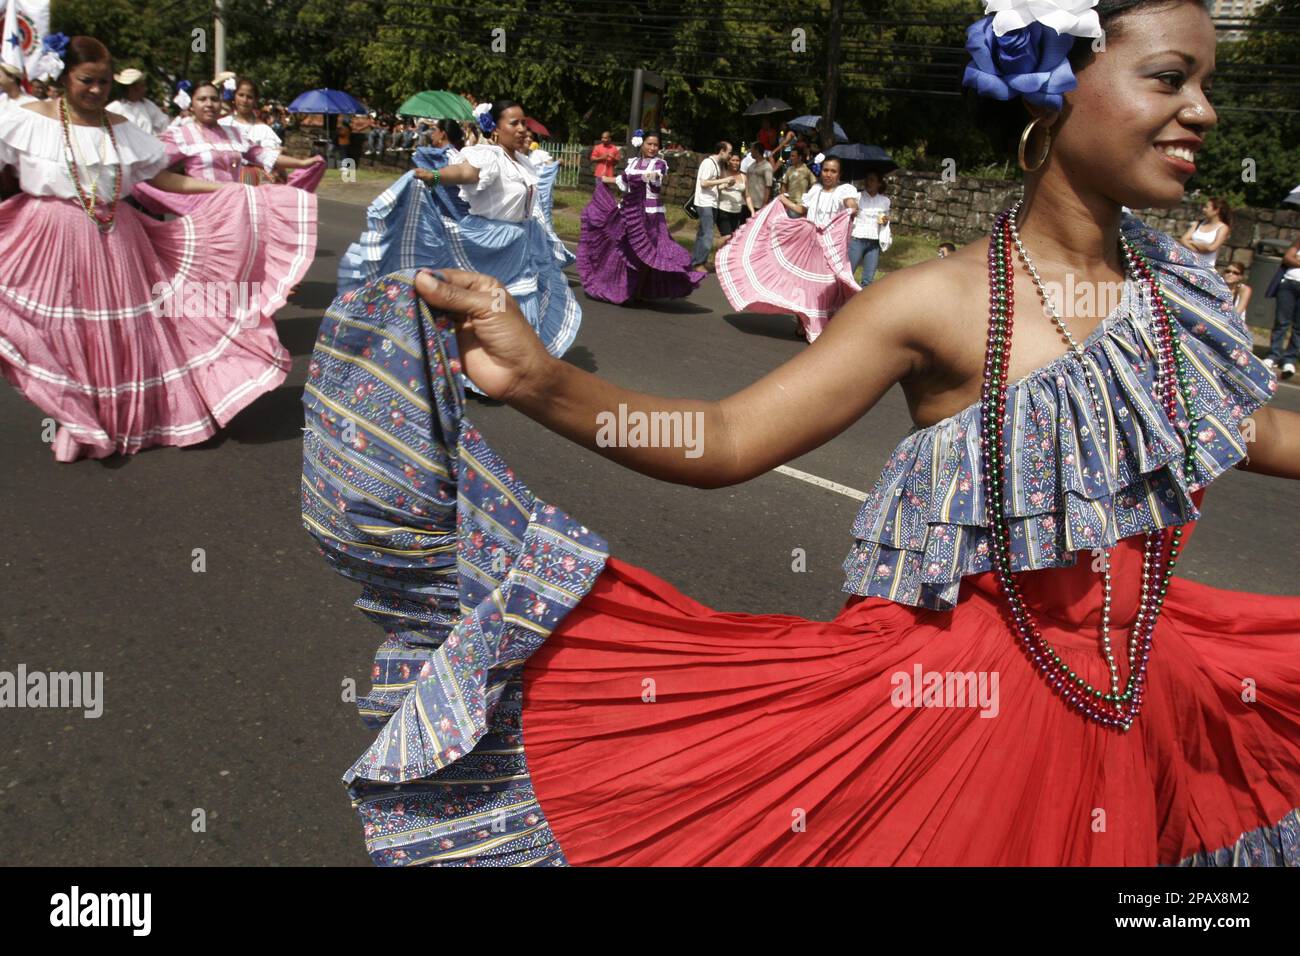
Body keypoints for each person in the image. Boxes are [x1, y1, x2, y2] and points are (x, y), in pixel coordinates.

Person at [311, 0, 1300, 868]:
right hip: (963, 729)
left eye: (1207, 83)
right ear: (1052, 89)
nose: (1203, 112)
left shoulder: (1180, 299)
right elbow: (729, 435)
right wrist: (542, 380)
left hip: (1147, 702)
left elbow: (1242, 430)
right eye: (1170, 79)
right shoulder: (939, 300)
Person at [0, 36, 317, 462]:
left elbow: (162, 178)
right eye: (86, 81)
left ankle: (117, 419)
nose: (96, 90)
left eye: (104, 83)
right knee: (62, 332)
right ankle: (76, 420)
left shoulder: (122, 128)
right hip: (49, 238)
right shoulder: (24, 120)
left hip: (119, 239)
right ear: (64, 77)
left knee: (124, 332)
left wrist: (228, 191)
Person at [336, 99, 582, 384]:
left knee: (521, 297)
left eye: (523, 122)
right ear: (495, 128)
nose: (520, 128)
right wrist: (437, 176)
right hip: (490, 240)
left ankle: (516, 365)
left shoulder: (523, 161)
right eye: (513, 123)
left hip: (519, 241)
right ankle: (484, 364)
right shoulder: (487, 156)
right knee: (492, 301)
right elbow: (466, 173)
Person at [715, 155, 861, 343]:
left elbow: (851, 203)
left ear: (839, 175)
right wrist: (783, 202)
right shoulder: (815, 190)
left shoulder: (844, 190)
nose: (828, 174)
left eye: (833, 171)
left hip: (828, 248)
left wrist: (852, 208)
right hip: (807, 243)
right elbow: (802, 211)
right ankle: (803, 323)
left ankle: (818, 325)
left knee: (823, 289)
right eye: (825, 170)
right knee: (801, 286)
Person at [131, 80, 325, 216]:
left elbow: (262, 155)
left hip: (234, 210)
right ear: (192, 106)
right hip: (202, 211)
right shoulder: (182, 135)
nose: (209, 104)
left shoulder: (234, 133)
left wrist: (302, 163)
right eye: (202, 99)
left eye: (214, 99)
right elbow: (153, 168)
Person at [577, 130, 705, 304]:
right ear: (641, 144)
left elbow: (650, 177)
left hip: (651, 216)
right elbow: (624, 182)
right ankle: (622, 286)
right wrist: (609, 180)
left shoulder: (660, 164)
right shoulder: (633, 162)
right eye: (649, 144)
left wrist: (627, 178)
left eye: (656, 145)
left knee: (648, 252)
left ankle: (637, 291)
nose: (653, 148)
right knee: (622, 248)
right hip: (629, 212)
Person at [220, 77, 325, 190]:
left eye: (249, 97)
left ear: (255, 100)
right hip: (227, 183)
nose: (244, 100)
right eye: (241, 95)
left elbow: (272, 159)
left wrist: (297, 165)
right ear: (234, 96)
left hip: (257, 186)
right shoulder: (222, 124)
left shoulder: (264, 130)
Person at [688, 140, 733, 272]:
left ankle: (699, 260)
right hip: (705, 203)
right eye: (729, 152)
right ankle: (698, 263)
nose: (730, 156)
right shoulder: (708, 163)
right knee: (707, 235)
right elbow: (704, 183)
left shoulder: (717, 164)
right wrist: (724, 180)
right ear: (722, 151)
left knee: (703, 233)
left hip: (712, 202)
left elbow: (712, 185)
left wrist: (725, 185)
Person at [1263, 234, 1300, 379]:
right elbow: (1288, 257)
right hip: (1289, 284)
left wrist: (1296, 261)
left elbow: (1293, 260)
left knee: (1298, 327)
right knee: (1281, 322)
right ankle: (1273, 355)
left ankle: (1290, 359)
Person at [849, 170, 891, 285]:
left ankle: (863, 302)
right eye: (867, 179)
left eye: (872, 180)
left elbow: (885, 219)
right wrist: (853, 210)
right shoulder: (857, 197)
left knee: (868, 280)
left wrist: (885, 221)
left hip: (874, 243)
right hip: (857, 239)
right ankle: (840, 299)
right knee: (848, 274)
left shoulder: (885, 201)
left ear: (879, 183)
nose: (868, 182)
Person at [105, 68, 168, 134]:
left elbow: (163, 123)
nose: (145, 89)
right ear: (132, 88)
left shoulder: (147, 105)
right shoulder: (113, 109)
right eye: (142, 86)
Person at [1178, 196, 1230, 268]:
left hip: (1204, 267)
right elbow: (1183, 240)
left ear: (1216, 210)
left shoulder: (1223, 228)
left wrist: (1192, 242)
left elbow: (1211, 248)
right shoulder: (1199, 223)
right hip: (1188, 262)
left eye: (1206, 207)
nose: (1203, 209)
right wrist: (1201, 249)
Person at [714, 152, 747, 244]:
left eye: (737, 160)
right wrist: (726, 184)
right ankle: (715, 251)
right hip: (723, 209)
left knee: (732, 237)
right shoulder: (722, 173)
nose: (735, 162)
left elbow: (746, 195)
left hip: (737, 211)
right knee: (727, 236)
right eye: (733, 160)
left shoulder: (743, 177)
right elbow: (715, 188)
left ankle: (723, 256)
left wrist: (752, 211)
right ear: (728, 161)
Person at [779, 145, 815, 218]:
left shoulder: (807, 170)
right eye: (790, 156)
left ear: (800, 157)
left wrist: (809, 198)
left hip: (800, 206)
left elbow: (814, 185)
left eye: (793, 156)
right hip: (788, 204)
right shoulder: (789, 169)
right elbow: (784, 185)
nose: (790, 158)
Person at [744, 143, 773, 217]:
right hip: (748, 202)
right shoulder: (752, 165)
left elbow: (768, 186)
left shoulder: (767, 166)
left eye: (752, 149)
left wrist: (764, 204)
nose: (750, 152)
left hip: (759, 204)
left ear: (757, 150)